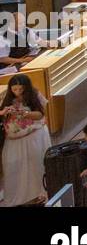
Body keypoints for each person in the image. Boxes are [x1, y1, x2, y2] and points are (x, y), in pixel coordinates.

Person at [1, 73, 50, 206]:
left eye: (20, 89)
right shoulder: (6, 97)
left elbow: (40, 114)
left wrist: (26, 114)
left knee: (34, 167)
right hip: (13, 139)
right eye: (14, 89)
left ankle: (34, 196)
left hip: (32, 137)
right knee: (13, 167)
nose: (17, 92)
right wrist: (4, 112)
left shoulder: (34, 95)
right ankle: (18, 197)